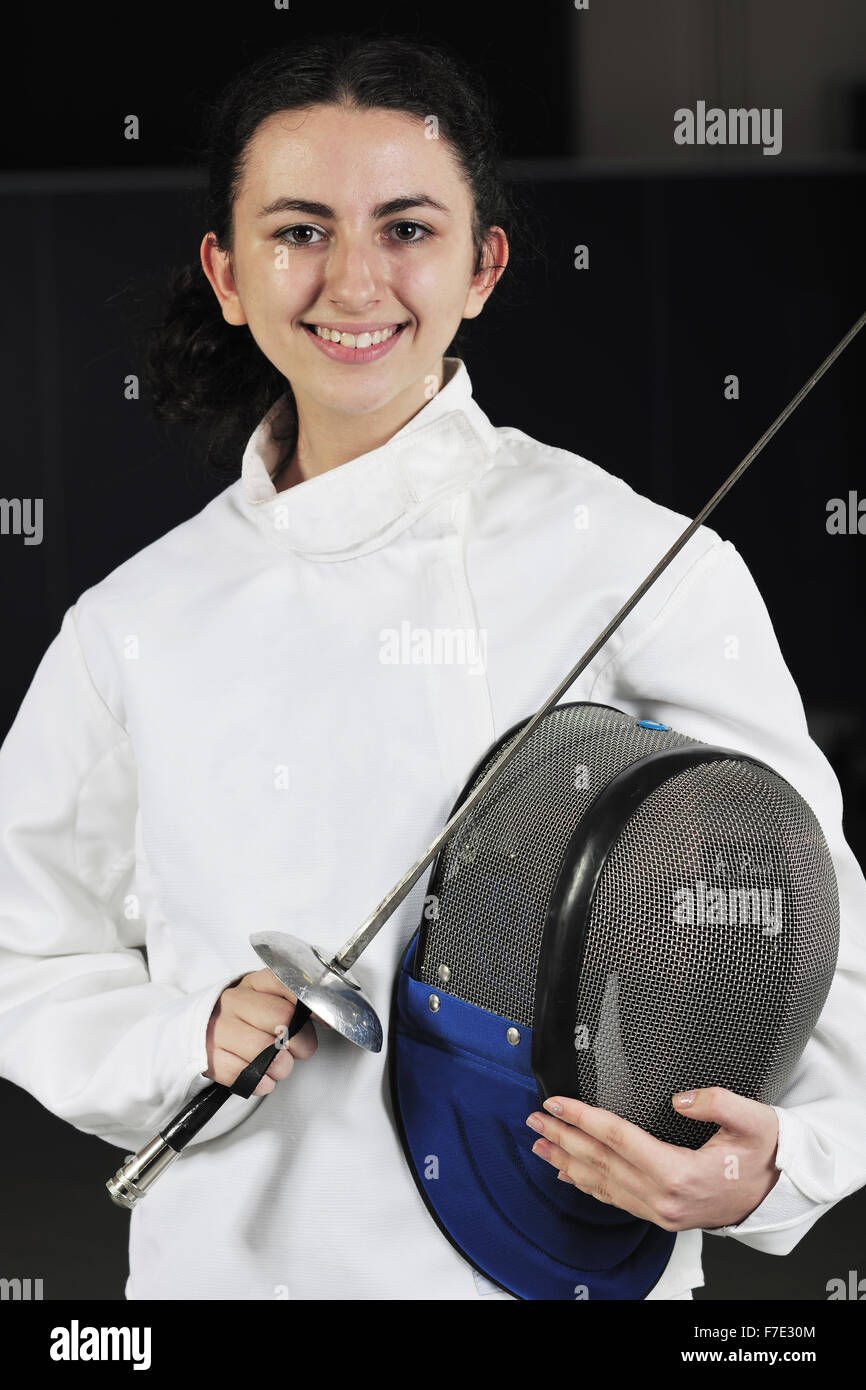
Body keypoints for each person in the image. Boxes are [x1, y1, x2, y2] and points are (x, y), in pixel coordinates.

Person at [0, 32, 864, 1302]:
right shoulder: (133, 620)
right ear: (226, 273)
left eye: (406, 227)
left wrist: (776, 1161)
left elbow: (809, 918)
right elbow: (28, 943)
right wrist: (176, 1037)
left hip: (550, 1265)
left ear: (482, 266)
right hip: (228, 1273)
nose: (353, 280)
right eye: (298, 231)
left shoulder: (638, 559)